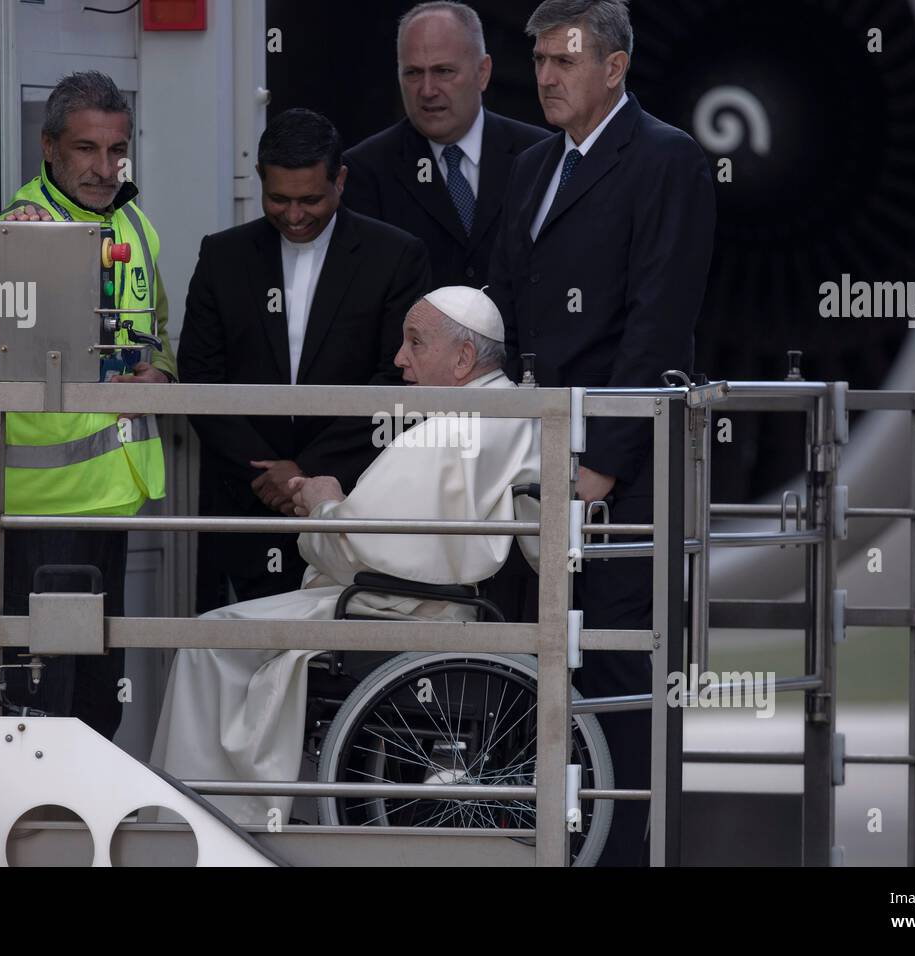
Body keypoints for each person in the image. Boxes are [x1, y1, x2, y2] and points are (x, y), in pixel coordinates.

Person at [151, 288, 539, 824]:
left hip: (393, 607)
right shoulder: (509, 409)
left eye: (414, 343)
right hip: (419, 602)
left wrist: (324, 503)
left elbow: (358, 554)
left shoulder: (451, 429)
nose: (400, 359)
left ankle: (207, 821)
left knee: (205, 639)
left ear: (463, 359)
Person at [487, 0, 717, 865]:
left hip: (617, 474)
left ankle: (623, 855)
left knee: (618, 673)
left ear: (613, 67)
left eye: (565, 63)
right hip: (533, 457)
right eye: (540, 61)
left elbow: (658, 325)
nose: (545, 77)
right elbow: (508, 306)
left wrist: (603, 466)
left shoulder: (667, 159)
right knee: (535, 664)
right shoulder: (534, 164)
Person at [0, 70, 178, 740]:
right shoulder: (18, 232)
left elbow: (158, 326)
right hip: (38, 506)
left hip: (110, 498)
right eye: (87, 149)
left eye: (116, 150)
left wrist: (162, 374)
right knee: (43, 695)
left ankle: (86, 825)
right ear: (49, 147)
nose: (105, 166)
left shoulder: (133, 221)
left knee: (94, 691)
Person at [177, 108, 431, 614]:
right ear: (260, 183)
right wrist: (266, 475)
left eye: (310, 199)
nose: (294, 215)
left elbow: (399, 381)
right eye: (279, 199)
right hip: (247, 507)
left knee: (343, 666)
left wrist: (306, 471)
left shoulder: (396, 256)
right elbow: (201, 377)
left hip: (356, 502)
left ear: (340, 180)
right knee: (252, 660)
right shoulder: (222, 256)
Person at [342, 2, 550, 289]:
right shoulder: (365, 171)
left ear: (483, 72)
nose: (427, 90)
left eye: (443, 71)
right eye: (413, 73)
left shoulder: (541, 156)